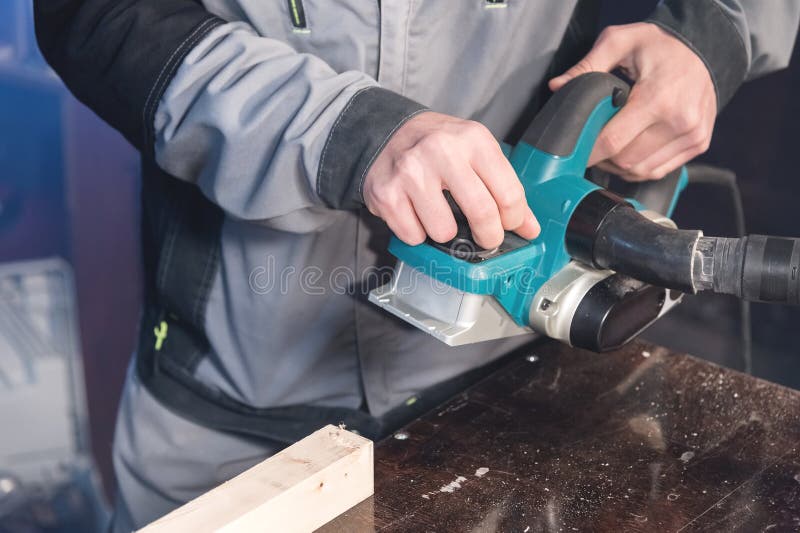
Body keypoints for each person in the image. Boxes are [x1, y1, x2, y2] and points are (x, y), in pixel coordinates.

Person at [33, 1, 799, 530]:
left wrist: (709, 36)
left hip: (515, 385)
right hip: (231, 402)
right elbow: (95, 17)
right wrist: (346, 133)